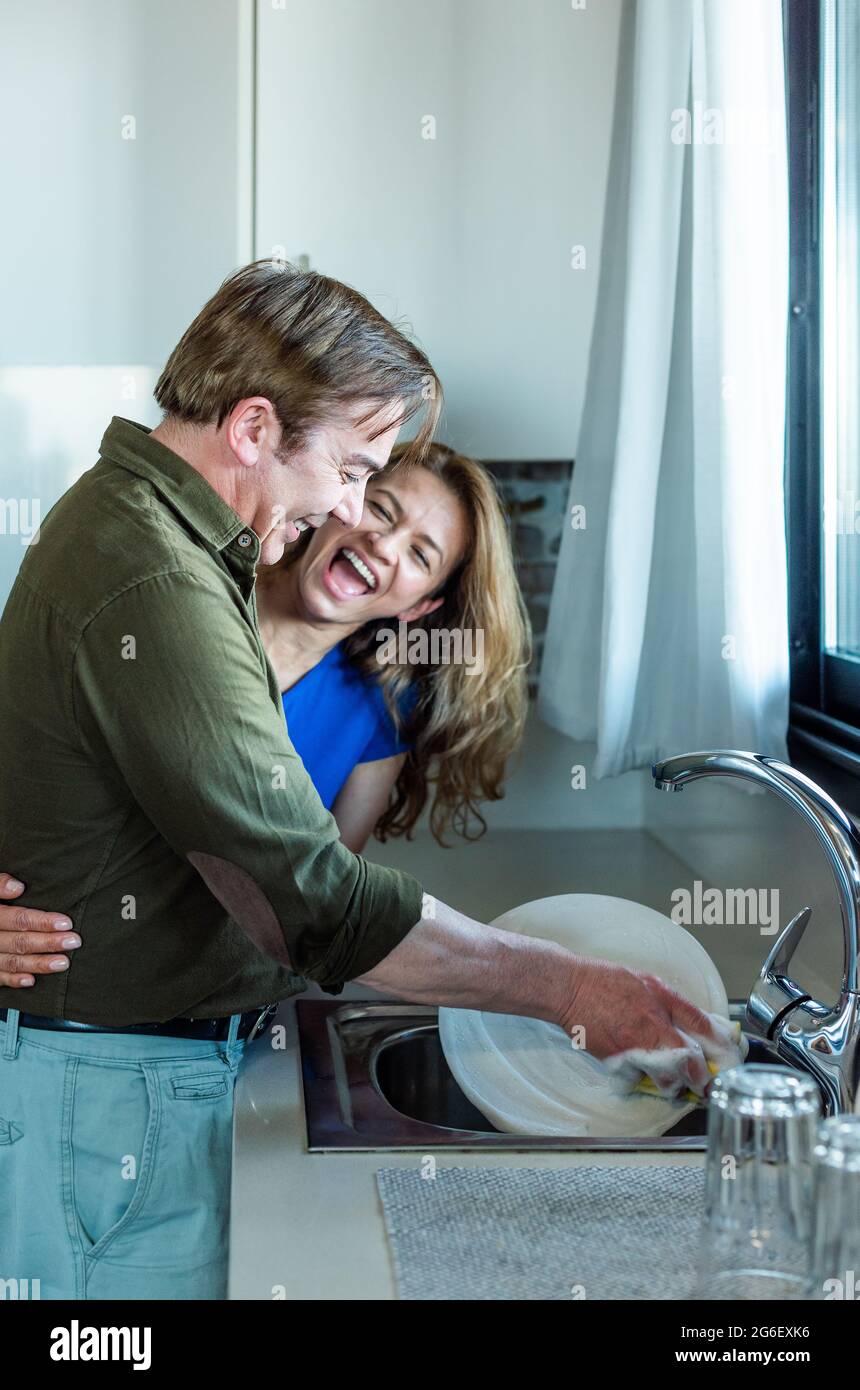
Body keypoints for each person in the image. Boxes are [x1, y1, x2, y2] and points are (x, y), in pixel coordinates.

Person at [0, 259, 729, 1301]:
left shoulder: (155, 543)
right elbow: (315, 899)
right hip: (107, 1095)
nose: (350, 511)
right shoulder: (157, 577)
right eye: (354, 473)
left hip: (127, 1082)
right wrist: (569, 989)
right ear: (254, 431)